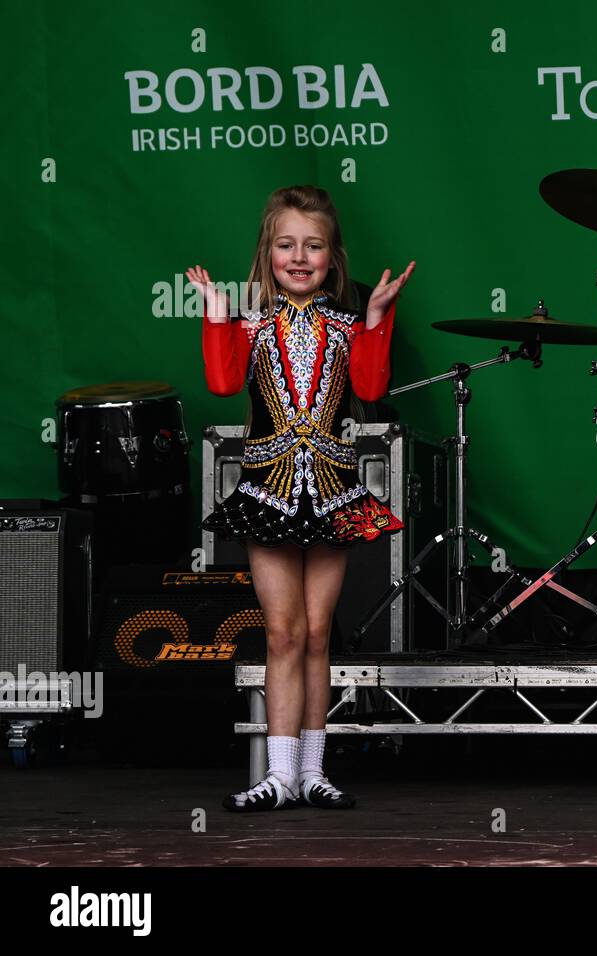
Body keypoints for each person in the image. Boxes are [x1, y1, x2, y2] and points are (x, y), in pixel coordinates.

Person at [189, 184, 416, 811]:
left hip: (334, 491)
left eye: (313, 246)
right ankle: (277, 775)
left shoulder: (346, 326)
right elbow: (223, 380)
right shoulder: (251, 324)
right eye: (287, 245)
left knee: (319, 634)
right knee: (282, 634)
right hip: (268, 490)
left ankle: (313, 771)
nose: (299, 256)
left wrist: (377, 319)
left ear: (332, 257)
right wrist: (215, 311)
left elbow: (371, 384)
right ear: (267, 255)